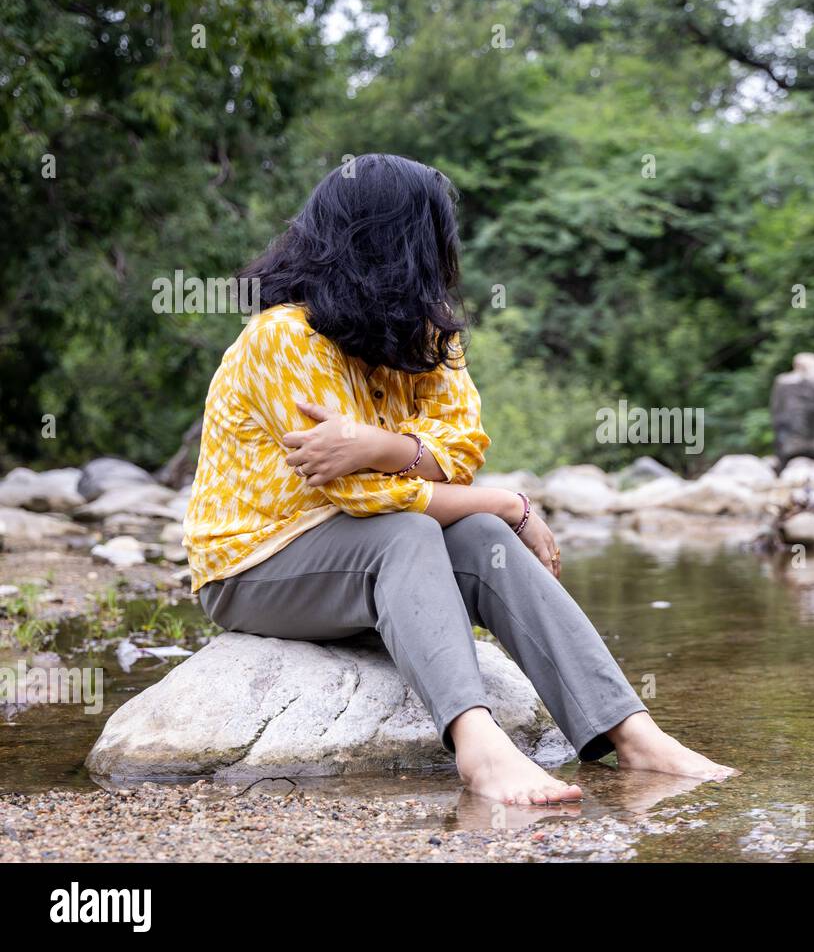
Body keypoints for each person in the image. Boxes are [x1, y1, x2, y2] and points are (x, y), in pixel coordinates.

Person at [184, 154, 735, 805]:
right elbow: (361, 497)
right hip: (254, 568)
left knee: (477, 537)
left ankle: (633, 734)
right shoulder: (285, 338)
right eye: (437, 237)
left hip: (360, 564)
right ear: (398, 241)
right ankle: (480, 749)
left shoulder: (424, 337)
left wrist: (378, 444)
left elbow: (462, 445)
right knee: (416, 531)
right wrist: (506, 501)